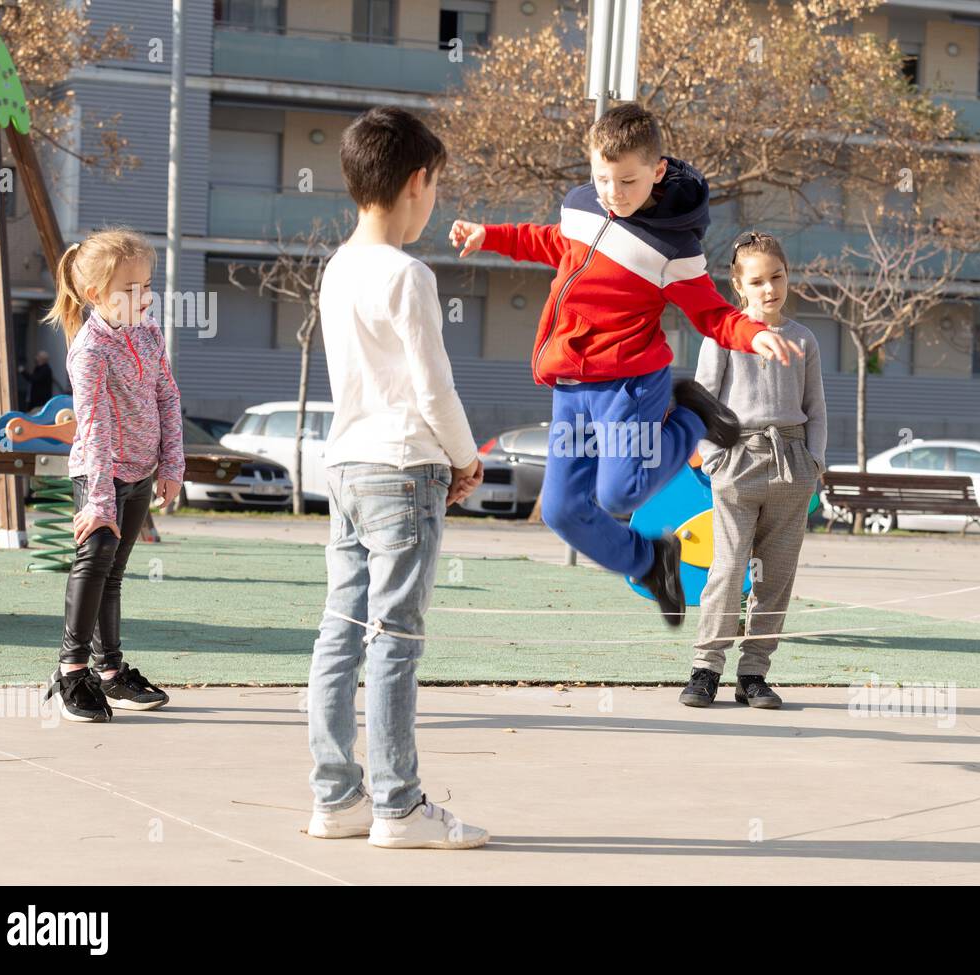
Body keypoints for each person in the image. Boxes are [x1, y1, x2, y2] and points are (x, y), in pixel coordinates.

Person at [449, 103, 802, 625]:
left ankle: (693, 414)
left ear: (657, 171)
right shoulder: (583, 206)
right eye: (602, 178)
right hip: (572, 386)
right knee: (562, 512)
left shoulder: (673, 249)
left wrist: (752, 334)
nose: (613, 192)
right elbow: (552, 242)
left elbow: (711, 313)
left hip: (628, 386)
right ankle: (652, 561)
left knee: (620, 490)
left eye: (628, 181)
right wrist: (491, 235)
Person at [305, 106, 489, 850]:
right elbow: (432, 390)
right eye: (436, 184)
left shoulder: (336, 267)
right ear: (417, 182)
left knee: (340, 631)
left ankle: (335, 796)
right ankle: (399, 806)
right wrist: (467, 458)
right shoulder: (408, 274)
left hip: (346, 464)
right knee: (395, 639)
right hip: (403, 466)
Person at [41, 229, 184, 722]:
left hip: (142, 472)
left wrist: (171, 465)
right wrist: (99, 502)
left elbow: (167, 396)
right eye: (129, 290)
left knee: (114, 574)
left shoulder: (149, 333)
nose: (142, 298)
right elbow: (96, 427)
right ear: (95, 294)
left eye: (147, 286)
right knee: (95, 559)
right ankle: (71, 669)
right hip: (99, 475)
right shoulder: (90, 350)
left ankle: (110, 671)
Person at [680, 232, 827, 709]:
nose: (770, 289)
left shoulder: (804, 339)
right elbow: (702, 399)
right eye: (758, 281)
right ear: (739, 286)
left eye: (777, 277)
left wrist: (815, 463)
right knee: (727, 568)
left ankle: (754, 674)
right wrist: (715, 457)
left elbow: (816, 408)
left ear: (789, 276)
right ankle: (706, 669)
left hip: (792, 466)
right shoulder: (722, 334)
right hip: (737, 463)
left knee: (776, 576)